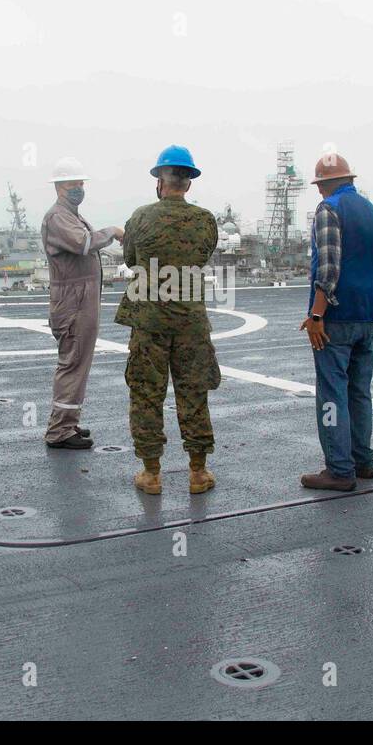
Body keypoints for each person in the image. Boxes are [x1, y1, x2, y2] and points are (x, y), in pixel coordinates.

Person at [115, 145, 220, 495]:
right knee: (193, 394)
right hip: (191, 322)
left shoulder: (141, 217)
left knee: (147, 395)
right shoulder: (205, 220)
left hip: (149, 322)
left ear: (160, 180)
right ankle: (198, 472)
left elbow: (130, 259)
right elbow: (202, 257)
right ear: (188, 183)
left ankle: (151, 473)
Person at [298, 154, 373, 492]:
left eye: (319, 184)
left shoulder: (328, 210)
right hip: (368, 314)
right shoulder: (372, 211)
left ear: (324, 183)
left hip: (336, 318)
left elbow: (328, 269)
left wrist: (317, 314)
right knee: (359, 392)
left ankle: (339, 469)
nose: (319, 190)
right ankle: (363, 461)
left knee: (331, 394)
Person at [40, 157, 122, 450]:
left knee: (79, 363)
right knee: (73, 362)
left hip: (80, 302)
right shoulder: (58, 217)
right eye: (75, 183)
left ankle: (68, 423)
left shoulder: (72, 214)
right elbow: (83, 244)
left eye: (81, 183)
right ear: (60, 186)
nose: (80, 188)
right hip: (72, 305)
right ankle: (59, 431)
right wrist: (112, 231)